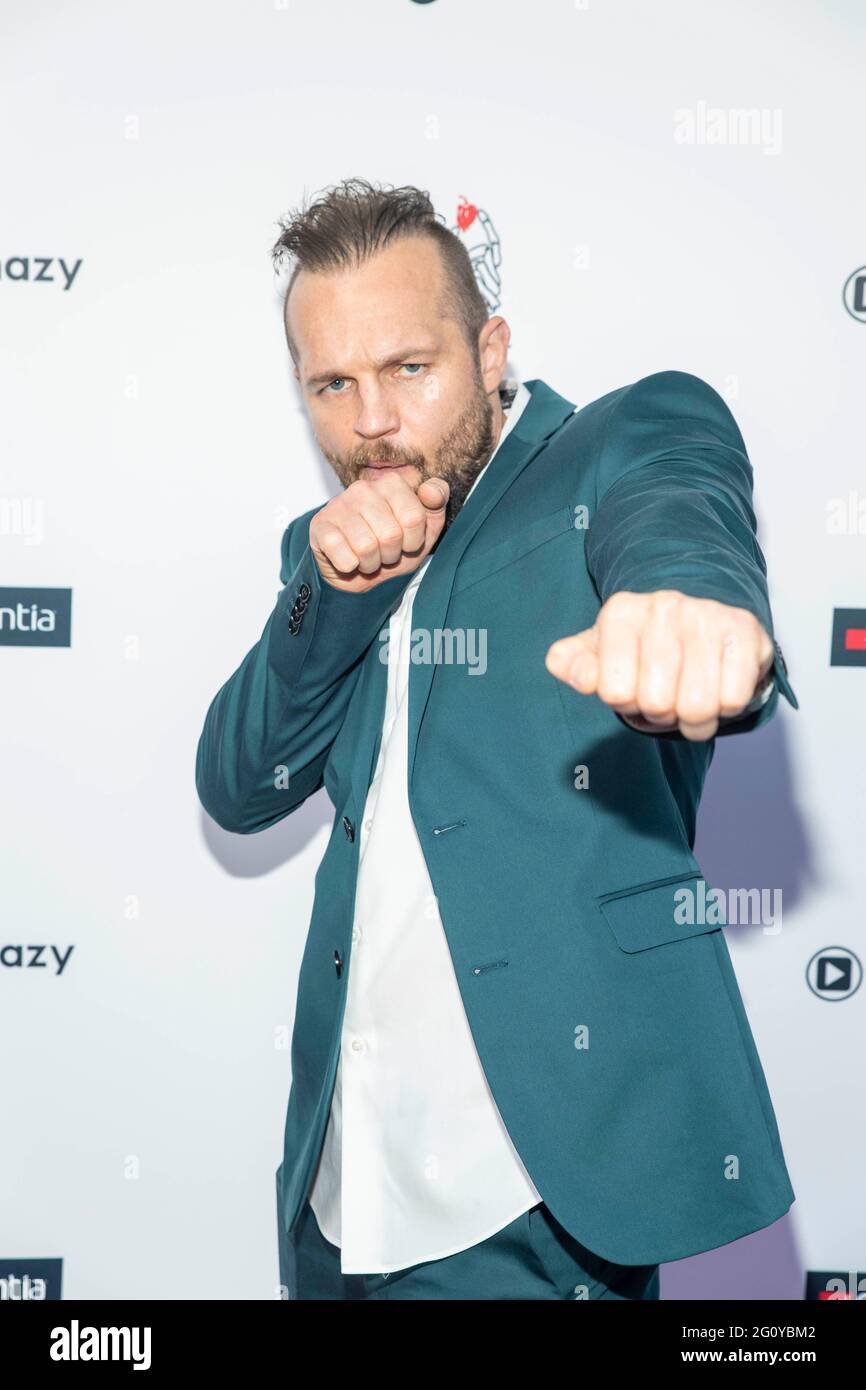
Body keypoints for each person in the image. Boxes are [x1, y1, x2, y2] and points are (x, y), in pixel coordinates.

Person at [195, 178, 798, 1300]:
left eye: (407, 368)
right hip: (339, 1196)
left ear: (490, 351)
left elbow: (677, 516)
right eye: (332, 384)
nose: (371, 421)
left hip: (531, 1209)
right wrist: (335, 593)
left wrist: (687, 609)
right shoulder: (330, 545)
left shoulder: (616, 443)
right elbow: (237, 785)